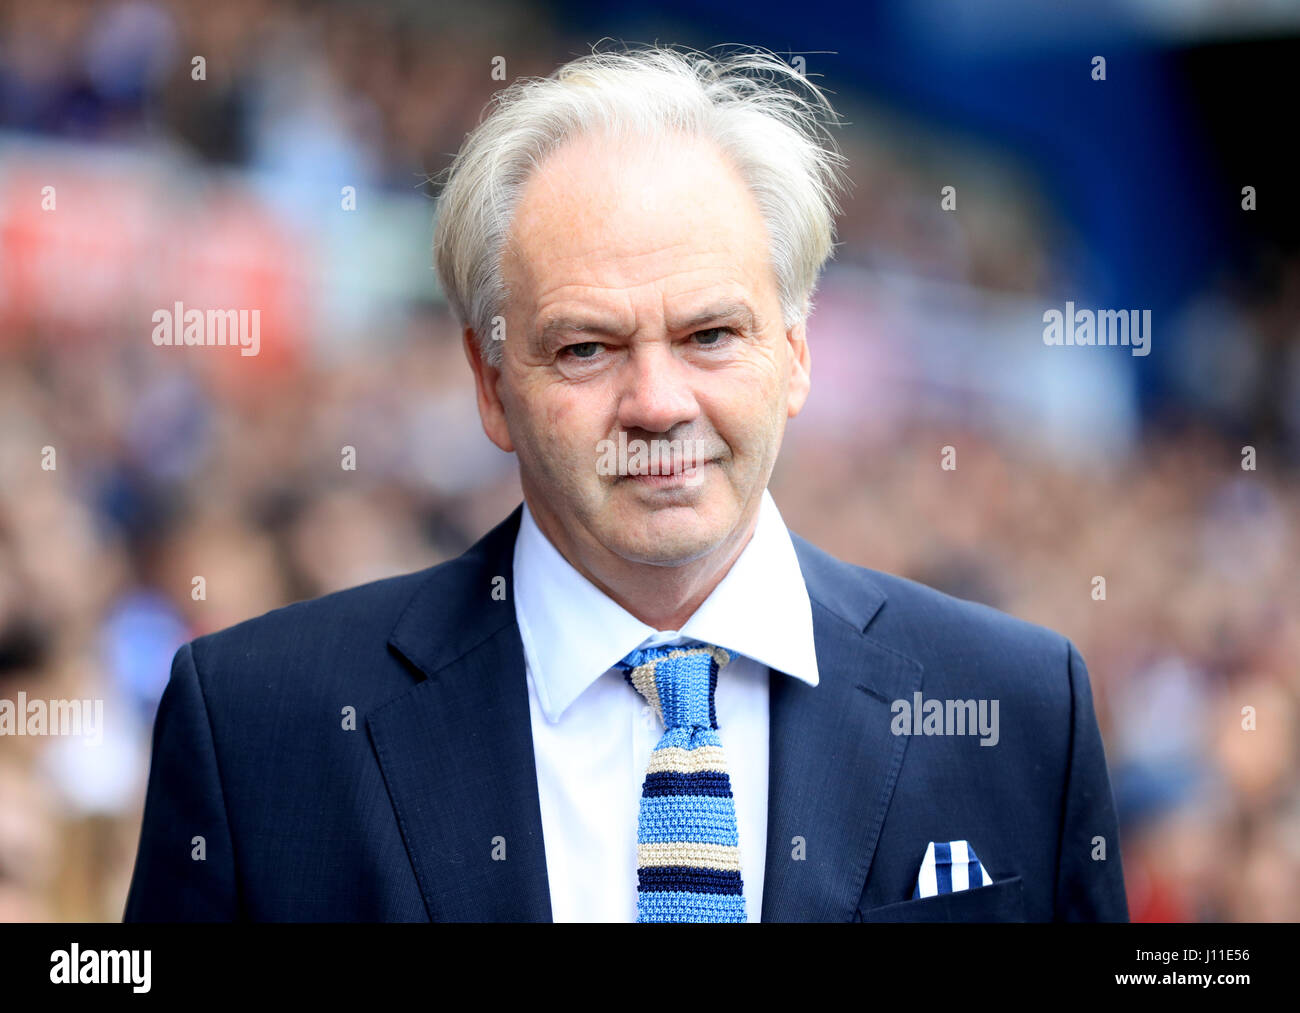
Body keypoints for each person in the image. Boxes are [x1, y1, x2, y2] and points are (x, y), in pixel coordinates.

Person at [124, 44, 1127, 922]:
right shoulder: (261, 728)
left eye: (710, 335)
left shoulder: (1017, 707)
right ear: (489, 381)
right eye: (586, 347)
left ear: (796, 350)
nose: (656, 401)